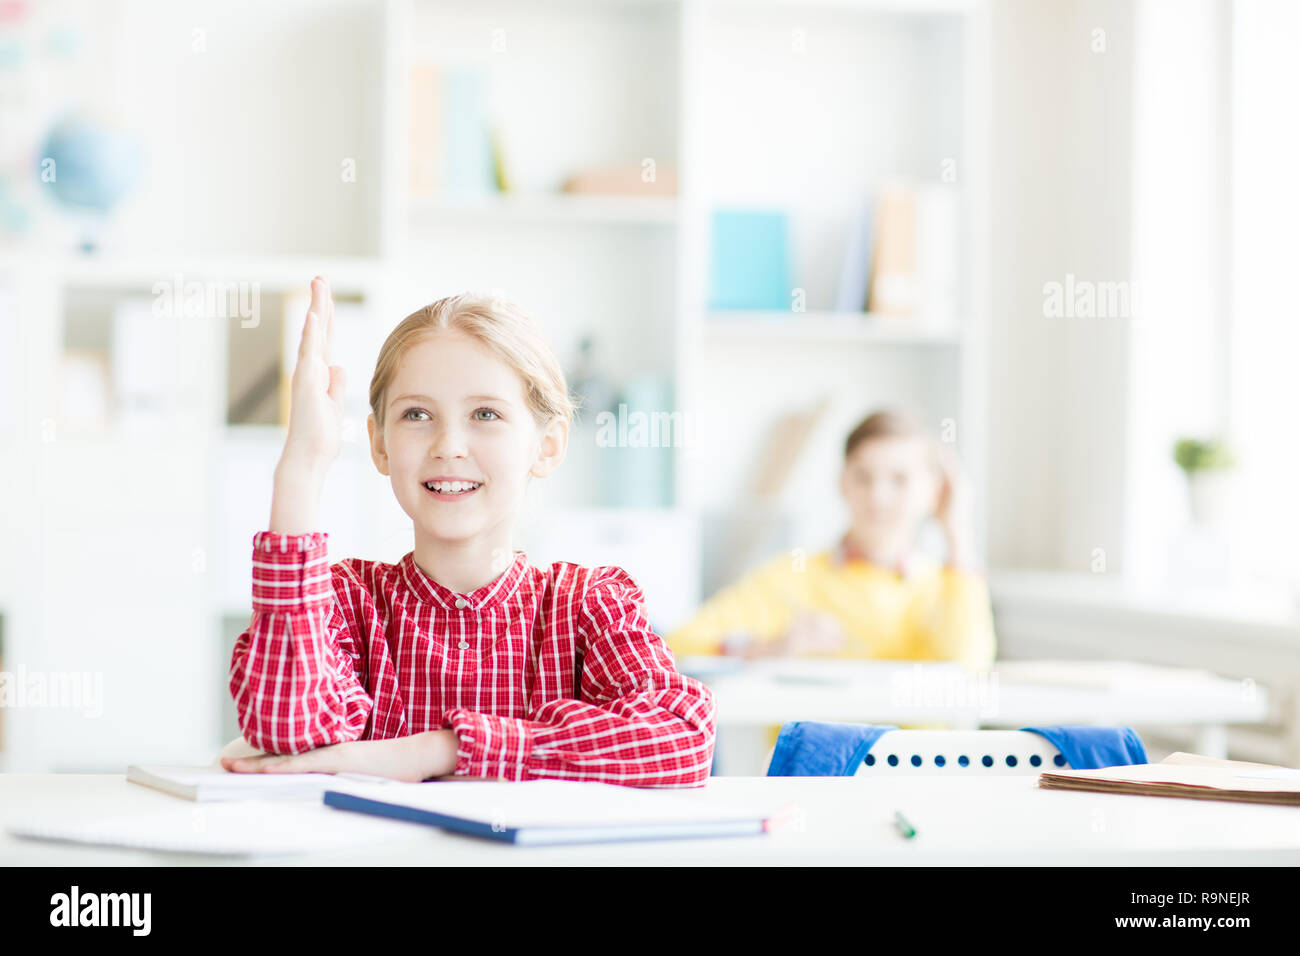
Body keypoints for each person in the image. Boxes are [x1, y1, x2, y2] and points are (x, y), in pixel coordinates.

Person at [220, 278, 715, 786]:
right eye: (416, 414)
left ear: (546, 445)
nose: (449, 444)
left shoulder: (588, 606)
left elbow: (681, 738)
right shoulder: (346, 603)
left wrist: (441, 750)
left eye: (485, 414)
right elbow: (284, 728)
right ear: (380, 444)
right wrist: (301, 467)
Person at [668, 408, 995, 666]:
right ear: (842, 483)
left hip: (913, 754)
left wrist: (958, 531)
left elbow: (970, 666)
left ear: (934, 492)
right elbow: (679, 644)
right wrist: (769, 648)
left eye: (899, 479)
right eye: (863, 477)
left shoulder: (947, 586)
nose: (878, 496)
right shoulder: (789, 577)